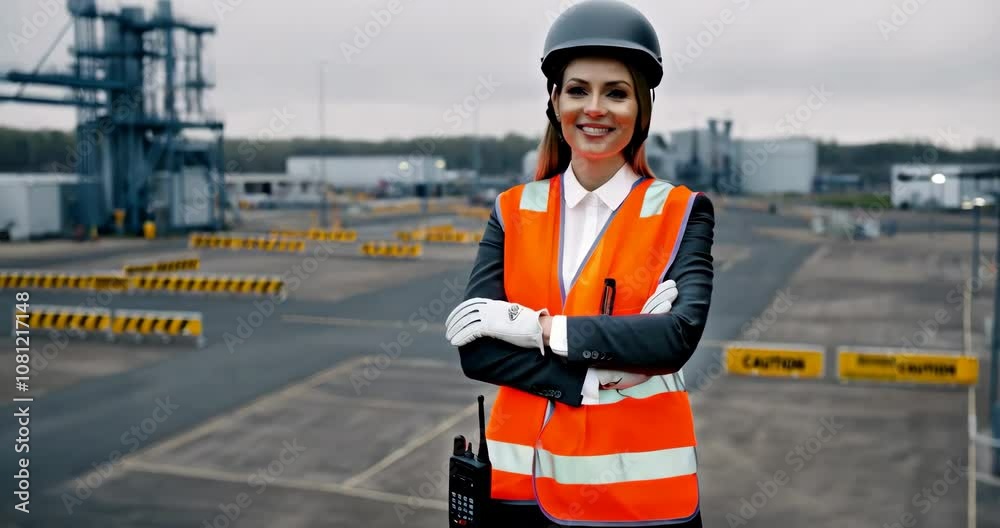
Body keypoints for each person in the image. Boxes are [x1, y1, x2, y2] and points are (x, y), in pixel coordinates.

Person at [444, 1, 714, 526]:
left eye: (616, 92)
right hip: (519, 495)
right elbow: (477, 353)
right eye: (577, 90)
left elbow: (674, 340)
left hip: (637, 502)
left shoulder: (681, 213)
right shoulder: (512, 210)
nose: (595, 108)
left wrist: (533, 327)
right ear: (554, 101)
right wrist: (593, 379)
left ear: (641, 109)